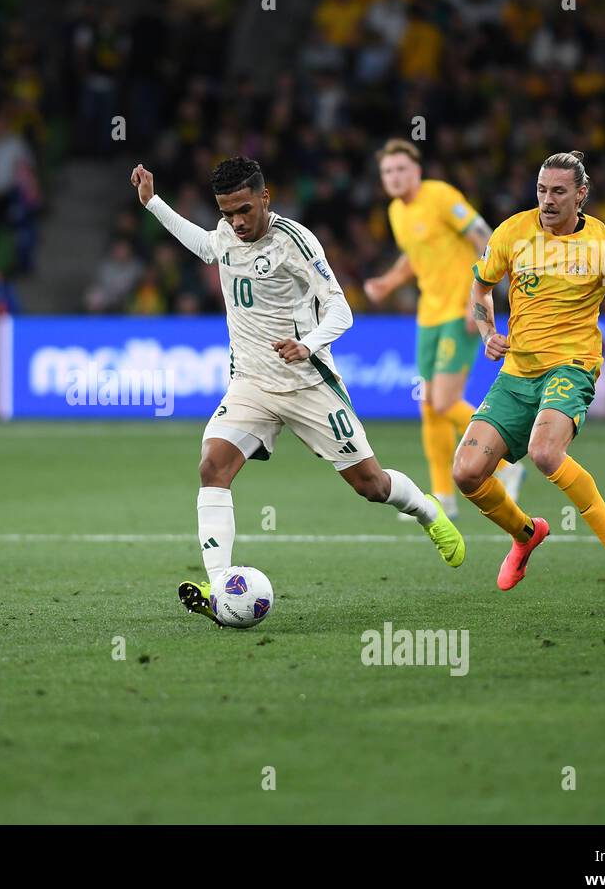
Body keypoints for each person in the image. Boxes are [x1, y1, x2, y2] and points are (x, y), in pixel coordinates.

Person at [131, 156, 465, 626]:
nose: (237, 222)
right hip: (251, 383)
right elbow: (208, 247)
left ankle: (427, 511)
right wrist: (153, 204)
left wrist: (307, 345)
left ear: (265, 198)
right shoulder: (227, 233)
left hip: (308, 384)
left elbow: (341, 310)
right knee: (212, 467)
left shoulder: (295, 242)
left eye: (244, 210)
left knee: (370, 485)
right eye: (227, 212)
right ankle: (221, 586)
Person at [454, 151, 605, 601]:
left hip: (571, 367)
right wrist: (488, 330)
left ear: (581, 195)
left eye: (559, 192)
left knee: (545, 452)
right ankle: (526, 534)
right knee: (467, 473)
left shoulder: (604, 250)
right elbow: (481, 286)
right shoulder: (512, 232)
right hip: (517, 371)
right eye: (541, 190)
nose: (547, 201)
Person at [364, 139, 524, 519]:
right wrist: (388, 283)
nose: (395, 177)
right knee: (430, 407)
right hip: (429, 317)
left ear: (417, 171)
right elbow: (413, 256)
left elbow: (483, 235)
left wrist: (481, 299)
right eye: (388, 172)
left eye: (401, 169)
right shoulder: (396, 212)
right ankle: (441, 497)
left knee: (443, 401)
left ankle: (505, 463)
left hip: (460, 311)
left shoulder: (440, 195)